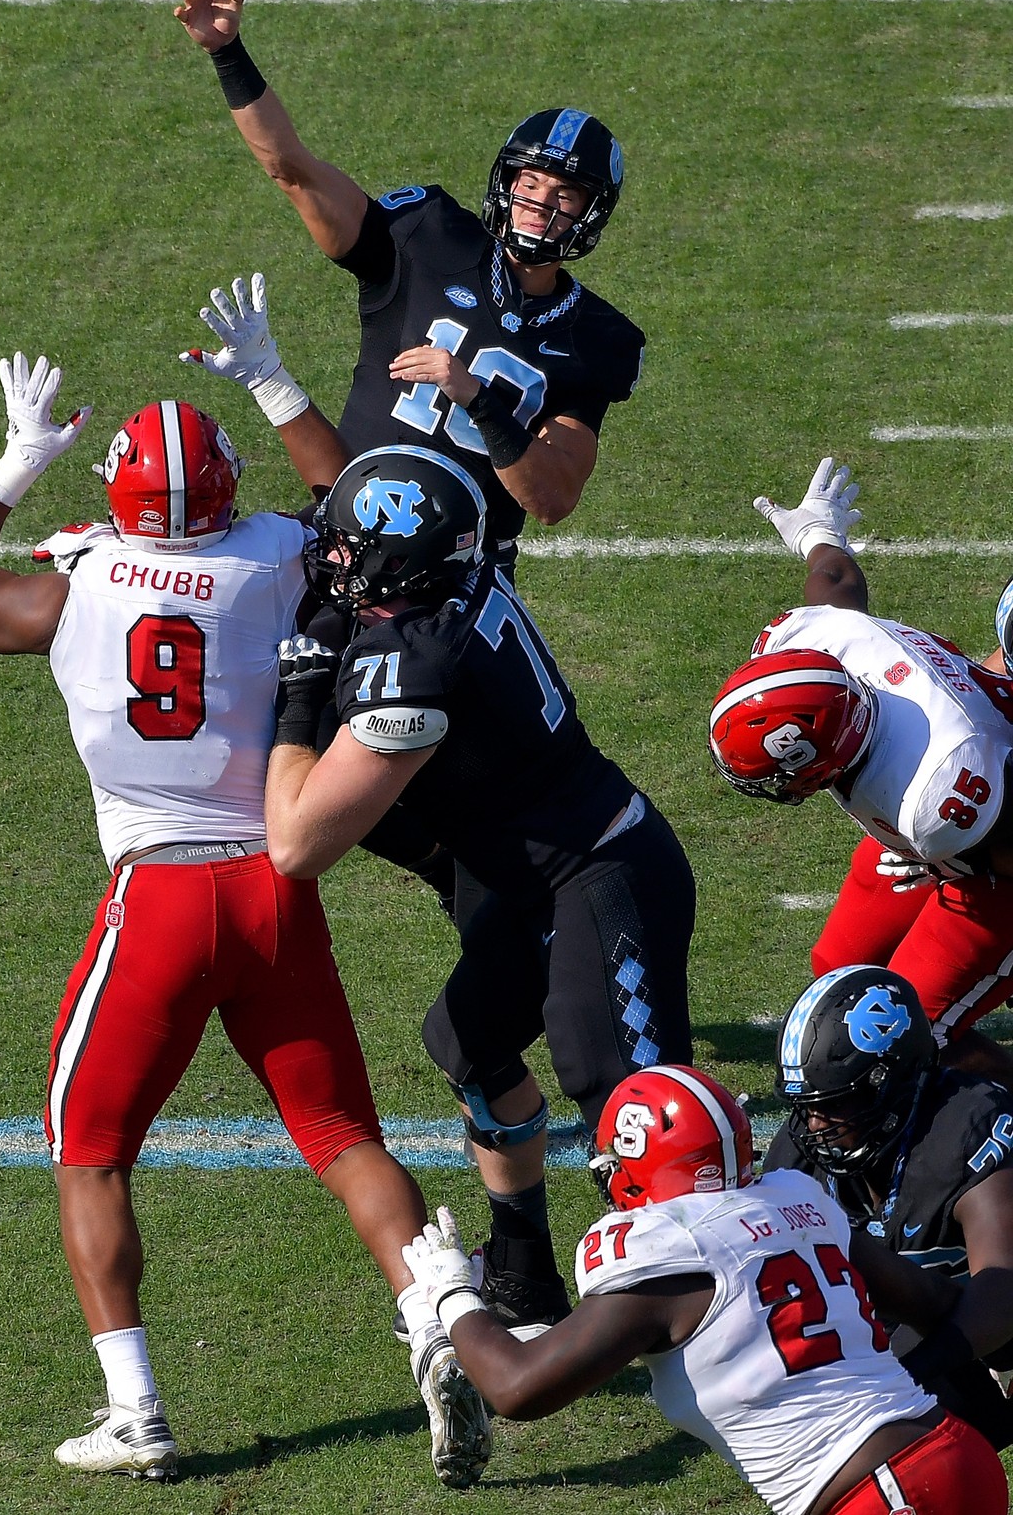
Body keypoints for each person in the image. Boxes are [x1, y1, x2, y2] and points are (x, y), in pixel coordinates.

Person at [0, 354, 491, 1489]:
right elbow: (362, 508)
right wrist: (274, 385)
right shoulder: (283, 557)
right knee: (343, 1133)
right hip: (275, 885)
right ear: (227, 484)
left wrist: (18, 461)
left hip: (160, 898)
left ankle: (136, 1409)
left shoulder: (74, 583)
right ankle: (436, 1313)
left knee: (90, 1152)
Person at [260, 441, 696, 1341]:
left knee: (644, 1115)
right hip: (536, 876)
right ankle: (524, 1275)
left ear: (397, 566)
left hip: (601, 872)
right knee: (467, 1041)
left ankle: (730, 1305)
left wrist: (299, 704)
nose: (329, 557)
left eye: (347, 547)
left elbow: (298, 843)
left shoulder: (414, 661)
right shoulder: (444, 589)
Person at [174, 0, 645, 559]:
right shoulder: (428, 236)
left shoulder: (598, 337)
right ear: (505, 184)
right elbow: (291, 171)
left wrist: (476, 397)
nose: (538, 204)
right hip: (342, 532)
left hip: (460, 574)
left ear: (590, 212)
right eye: (529, 183)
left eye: (564, 194)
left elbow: (552, 499)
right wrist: (227, 53)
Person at [402, 1063, 1010, 1515]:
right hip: (955, 1453)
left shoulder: (665, 1266)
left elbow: (516, 1387)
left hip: (882, 1493)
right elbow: (938, 1302)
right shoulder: (800, 1204)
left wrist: (453, 1295)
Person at [707, 456, 1013, 1084]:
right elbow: (835, 580)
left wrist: (948, 858)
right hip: (966, 790)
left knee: (906, 1033)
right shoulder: (821, 643)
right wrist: (818, 533)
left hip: (992, 854)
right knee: (839, 975)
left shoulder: (938, 793)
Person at [763, 965, 1013, 1448]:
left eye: (835, 1103)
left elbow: (1003, 1292)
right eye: (807, 1106)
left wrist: (907, 1375)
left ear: (891, 1083)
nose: (815, 1125)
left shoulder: (968, 1125)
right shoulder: (799, 1156)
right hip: (927, 1328)